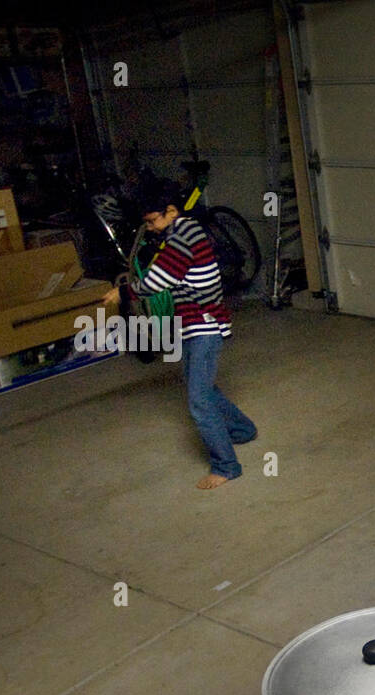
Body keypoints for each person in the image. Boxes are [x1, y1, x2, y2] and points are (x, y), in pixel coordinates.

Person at [102, 178, 256, 490]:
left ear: (171, 211)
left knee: (198, 399)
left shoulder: (183, 236)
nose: (152, 228)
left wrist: (123, 292)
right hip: (191, 323)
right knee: (200, 386)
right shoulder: (179, 232)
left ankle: (227, 466)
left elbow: (156, 281)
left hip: (204, 325)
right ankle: (242, 429)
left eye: (153, 220)